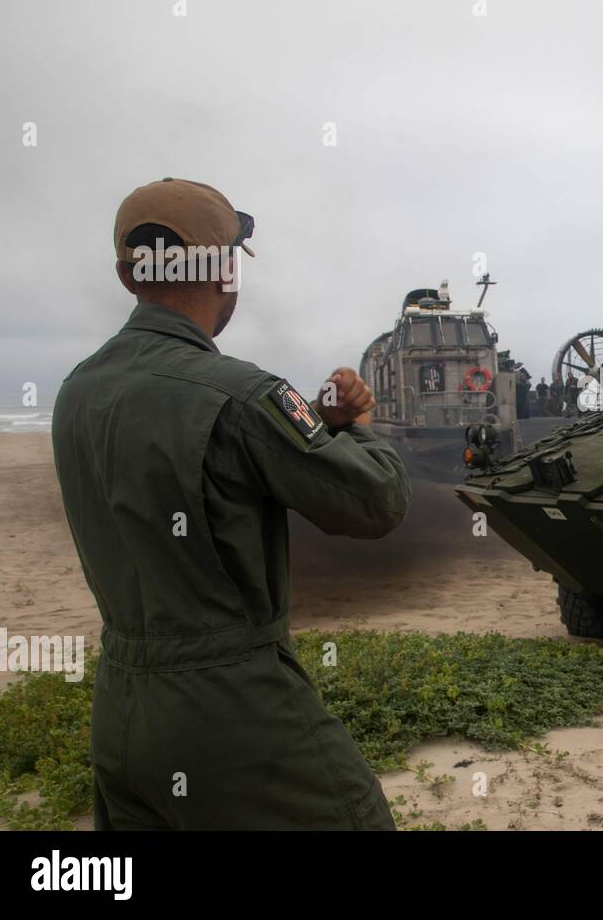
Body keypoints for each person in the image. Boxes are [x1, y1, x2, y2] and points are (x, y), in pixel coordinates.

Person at [51, 178, 412, 829]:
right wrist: (356, 423)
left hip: (122, 711)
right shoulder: (243, 394)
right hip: (234, 713)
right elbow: (377, 502)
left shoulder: (78, 392)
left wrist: (312, 422)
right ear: (223, 271)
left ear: (125, 274)